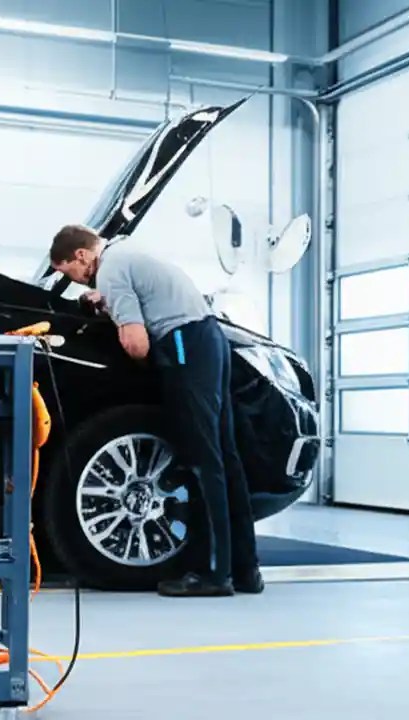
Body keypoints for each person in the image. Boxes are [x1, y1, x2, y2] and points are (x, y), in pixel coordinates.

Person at [48, 224, 262, 597]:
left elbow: (135, 342)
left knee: (200, 458)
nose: (78, 282)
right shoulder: (126, 256)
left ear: (81, 256)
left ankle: (212, 574)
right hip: (208, 339)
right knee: (224, 458)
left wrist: (149, 372)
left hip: (182, 345)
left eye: (70, 273)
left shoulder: (111, 269)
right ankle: (245, 570)